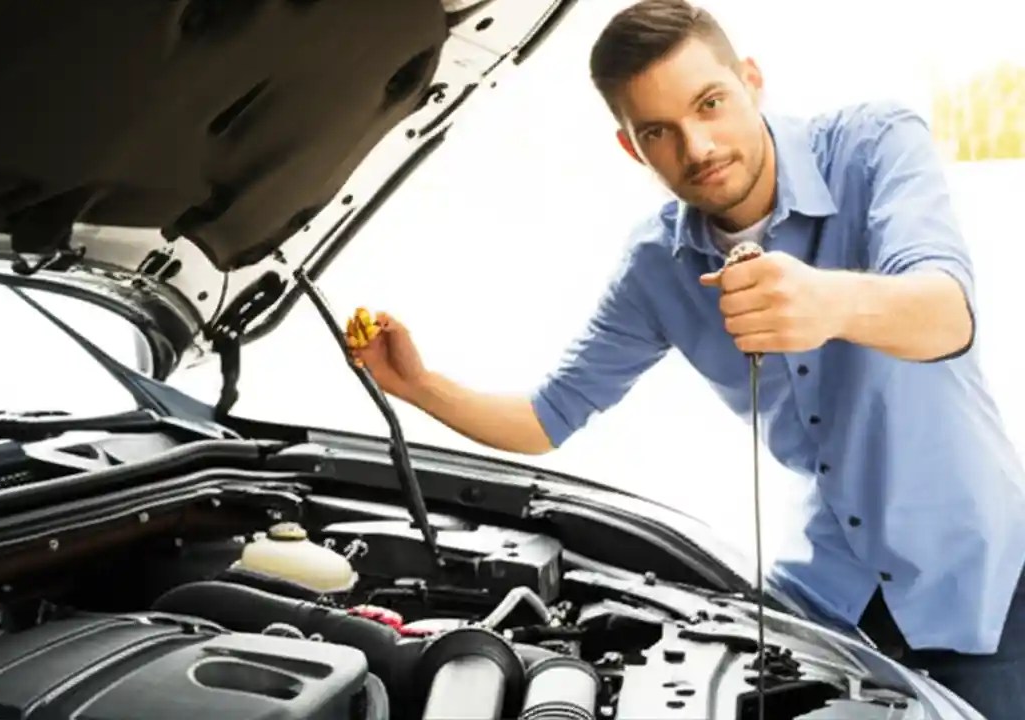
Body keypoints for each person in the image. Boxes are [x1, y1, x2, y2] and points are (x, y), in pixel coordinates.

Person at [345, 0, 1025, 715]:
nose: (697, 147)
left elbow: (948, 313)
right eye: (659, 132)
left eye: (710, 103)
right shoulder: (655, 265)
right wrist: (417, 385)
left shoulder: (872, 145)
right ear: (631, 148)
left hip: (985, 585)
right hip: (832, 595)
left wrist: (828, 303)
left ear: (752, 81)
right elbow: (547, 418)